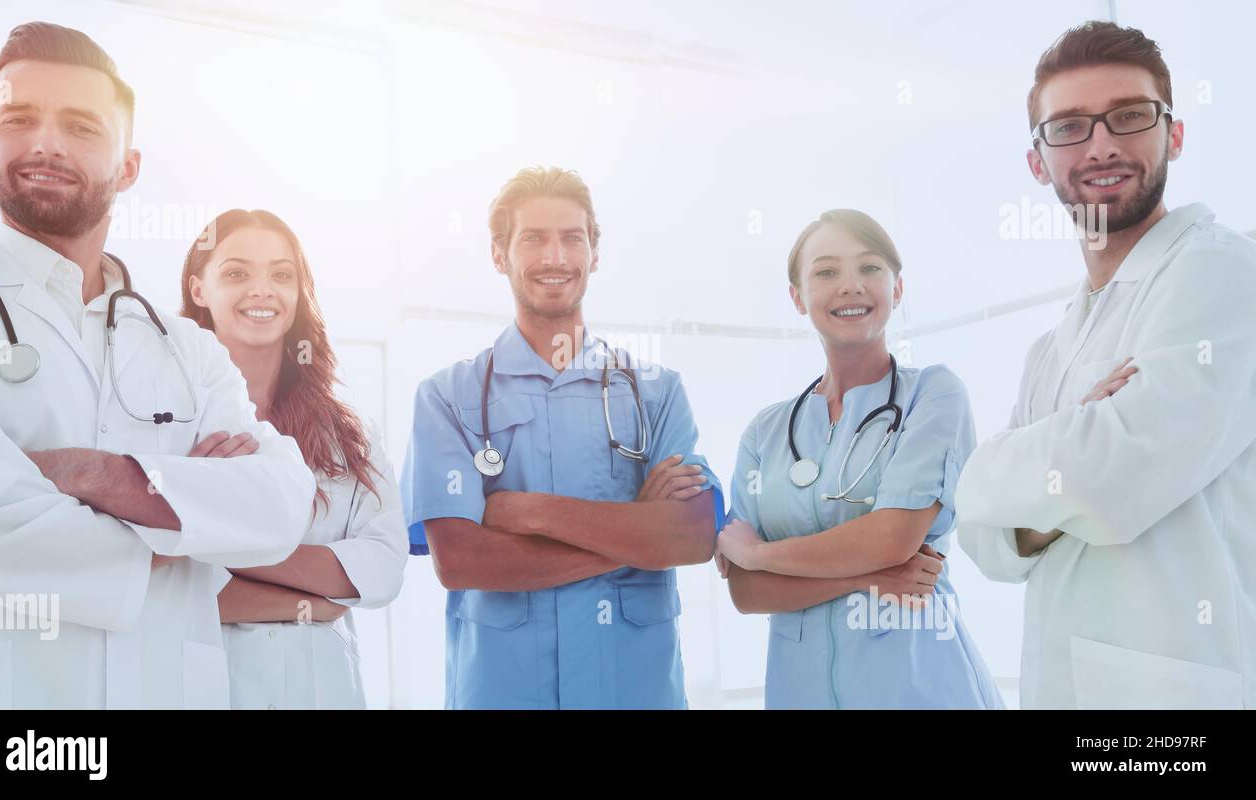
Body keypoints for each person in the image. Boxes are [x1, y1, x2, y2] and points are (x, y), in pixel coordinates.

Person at [0, 22, 314, 709]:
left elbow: (280, 502)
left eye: (82, 126)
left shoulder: (187, 347)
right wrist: (188, 521)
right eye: (19, 119)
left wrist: (84, 473)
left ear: (128, 166)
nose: (46, 143)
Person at [955, 21, 1256, 709]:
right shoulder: (1053, 344)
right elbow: (987, 544)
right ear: (1038, 162)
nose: (1101, 146)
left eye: (1129, 117)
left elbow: (1108, 477)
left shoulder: (1220, 273)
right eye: (1069, 127)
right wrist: (1047, 486)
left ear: (1173, 135)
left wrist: (994, 471)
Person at [400, 166, 723, 709]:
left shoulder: (656, 391)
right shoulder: (447, 397)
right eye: (533, 239)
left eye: (572, 238)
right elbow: (460, 560)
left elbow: (691, 536)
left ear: (595, 252)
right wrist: (636, 531)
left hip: (635, 692)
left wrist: (530, 511)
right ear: (499, 254)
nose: (555, 257)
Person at [716, 209, 1004, 709]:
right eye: (826, 272)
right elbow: (746, 592)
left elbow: (893, 537)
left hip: (919, 688)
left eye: (870, 268)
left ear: (896, 289)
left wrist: (761, 554)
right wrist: (865, 576)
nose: (851, 285)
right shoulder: (765, 432)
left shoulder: (933, 394)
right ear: (797, 297)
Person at [180, 209, 409, 709]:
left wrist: (226, 552)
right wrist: (311, 597)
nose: (262, 290)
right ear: (199, 289)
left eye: (281, 275)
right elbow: (156, 577)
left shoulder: (347, 435)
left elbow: (385, 566)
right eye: (237, 273)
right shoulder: (167, 421)